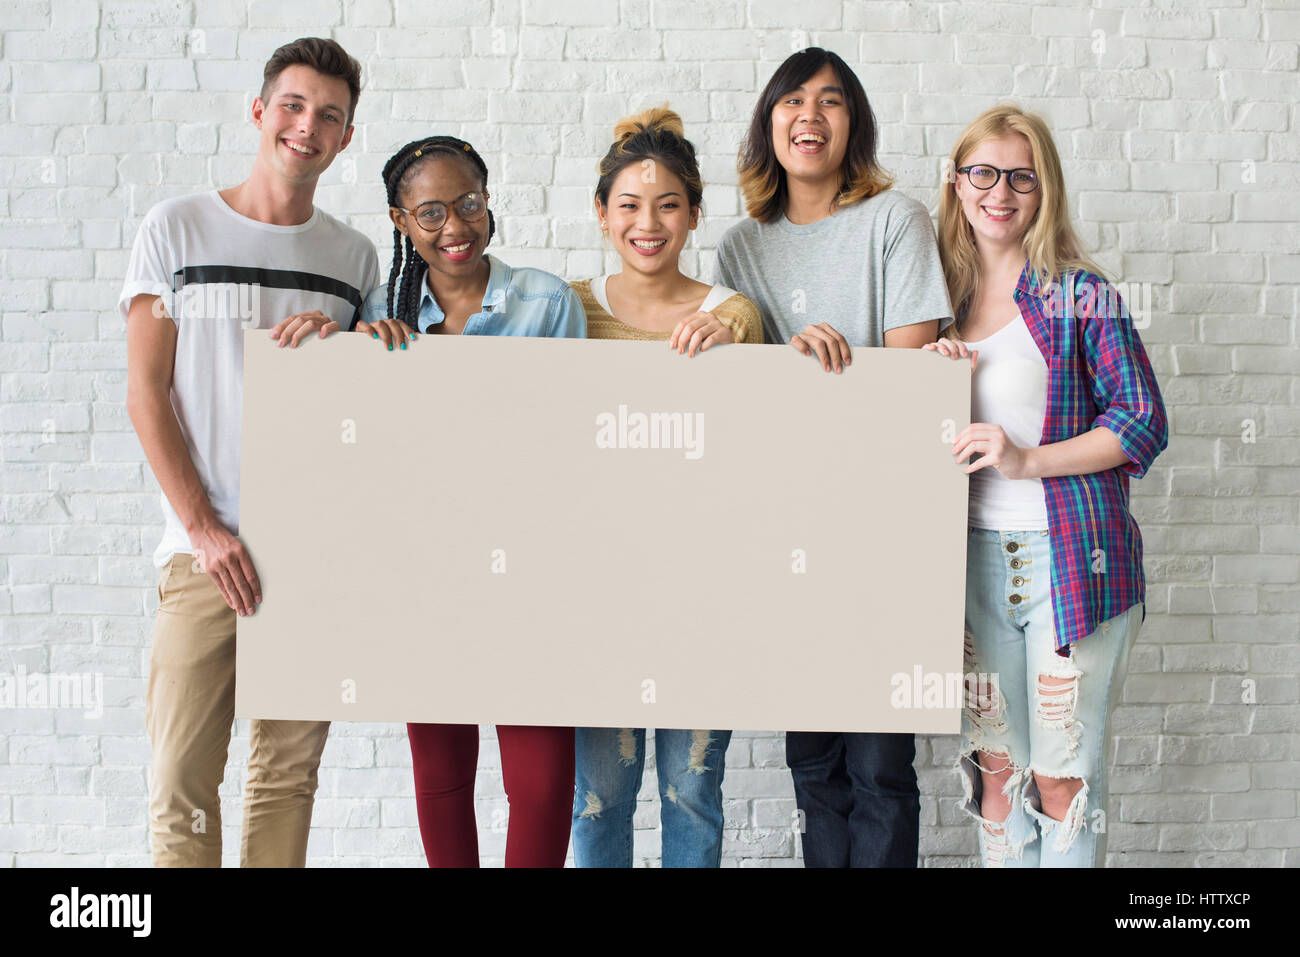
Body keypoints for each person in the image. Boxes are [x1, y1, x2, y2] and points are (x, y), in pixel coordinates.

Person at [122, 37, 377, 866]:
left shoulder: (354, 258)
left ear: (344, 137)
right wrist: (204, 529)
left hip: (313, 558)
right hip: (204, 555)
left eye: (330, 115)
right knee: (180, 783)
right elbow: (146, 390)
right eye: (295, 106)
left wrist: (368, 343)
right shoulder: (175, 228)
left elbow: (366, 403)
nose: (309, 126)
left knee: (286, 779)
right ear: (260, 111)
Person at [713, 47, 953, 867]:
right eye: (791, 101)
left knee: (880, 767)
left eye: (831, 102)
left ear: (855, 125)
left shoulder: (896, 220)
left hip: (884, 527)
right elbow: (744, 402)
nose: (809, 117)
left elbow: (911, 388)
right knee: (812, 763)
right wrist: (788, 364)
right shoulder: (741, 247)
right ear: (767, 123)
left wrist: (834, 357)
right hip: (790, 533)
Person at [925, 104, 1167, 866]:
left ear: (1045, 189)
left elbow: (1141, 421)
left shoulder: (1078, 292)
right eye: (984, 174)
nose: (1001, 192)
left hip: (1072, 566)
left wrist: (1026, 458)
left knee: (1061, 782)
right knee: (997, 777)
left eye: (1021, 177)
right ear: (957, 184)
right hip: (971, 567)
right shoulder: (936, 300)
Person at [354, 135, 586, 867]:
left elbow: (576, 442)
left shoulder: (545, 300)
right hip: (428, 574)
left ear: (490, 203)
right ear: (400, 222)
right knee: (443, 775)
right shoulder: (378, 313)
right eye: (430, 213)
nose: (455, 226)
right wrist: (342, 351)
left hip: (534, 574)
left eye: (469, 203)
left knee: (542, 782)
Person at [567, 105, 762, 868]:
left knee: (693, 797)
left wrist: (739, 342)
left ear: (694, 214)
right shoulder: (565, 306)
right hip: (601, 595)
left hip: (703, 595)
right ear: (601, 211)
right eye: (629, 205)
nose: (648, 224)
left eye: (669, 204)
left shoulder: (732, 313)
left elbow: (774, 447)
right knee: (599, 801)